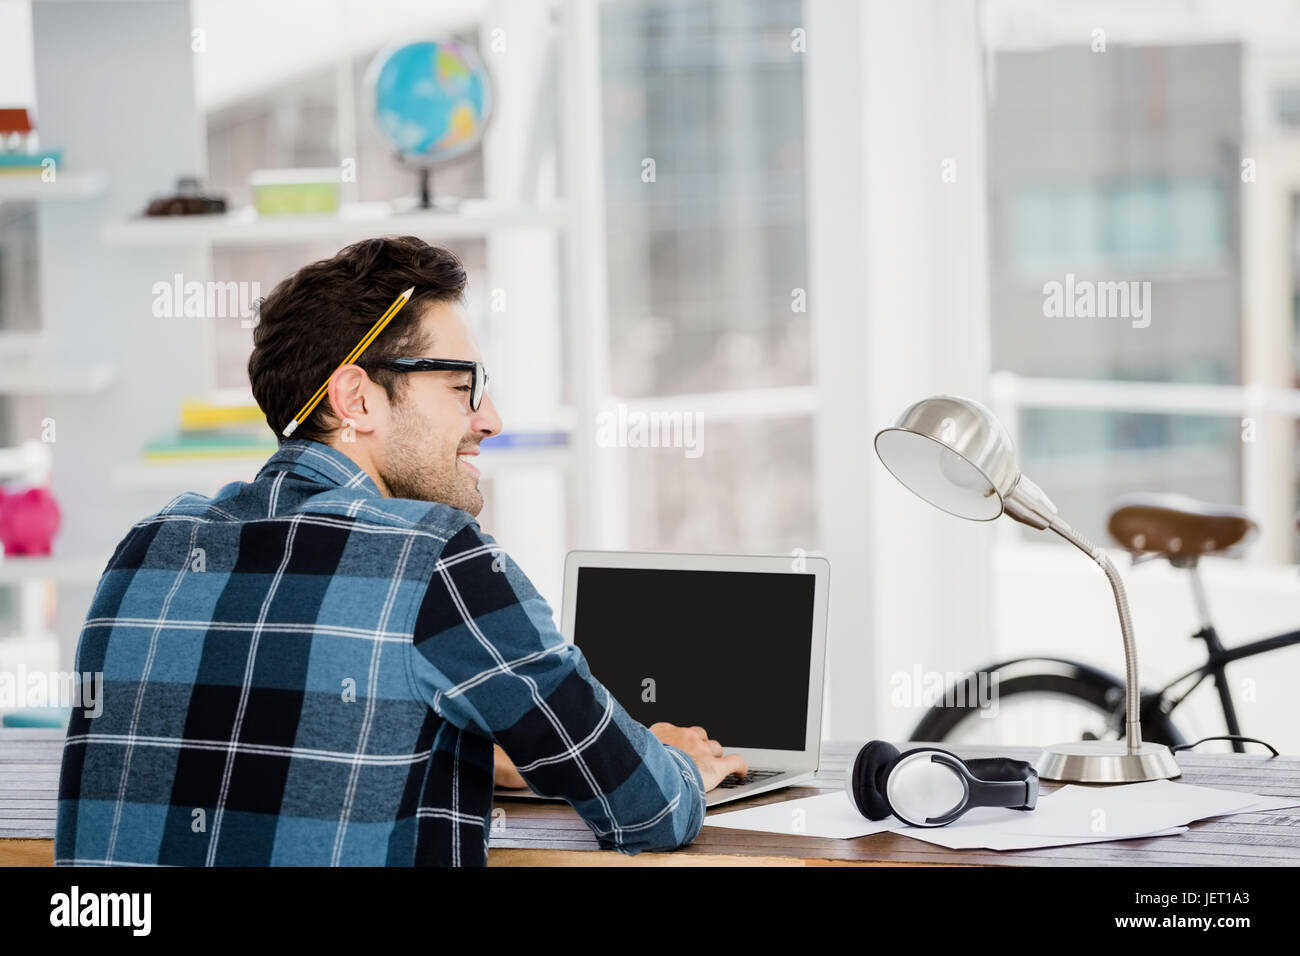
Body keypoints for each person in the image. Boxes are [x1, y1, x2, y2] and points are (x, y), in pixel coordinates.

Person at [54, 235, 746, 866]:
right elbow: (648, 808)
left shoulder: (147, 548)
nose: (491, 421)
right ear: (356, 399)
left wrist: (495, 754)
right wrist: (677, 761)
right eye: (460, 386)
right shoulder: (438, 558)